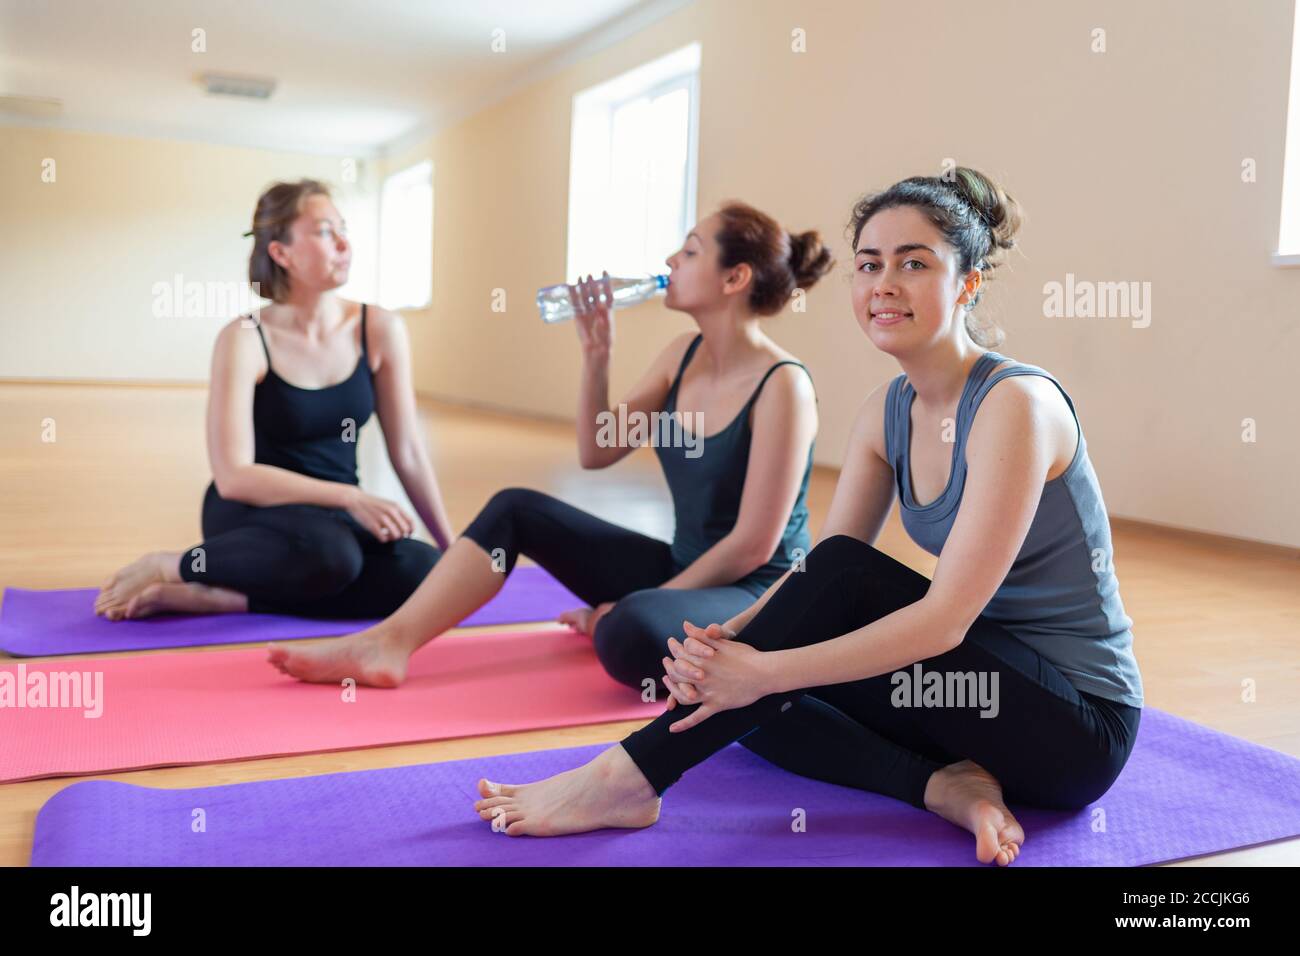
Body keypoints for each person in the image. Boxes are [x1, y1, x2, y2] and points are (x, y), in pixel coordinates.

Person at [468, 168, 1144, 868]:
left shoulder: (1016, 406)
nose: (884, 284)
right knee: (746, 698)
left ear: (967, 284)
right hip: (976, 705)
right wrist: (726, 640)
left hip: (1075, 731)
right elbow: (813, 576)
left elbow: (941, 619)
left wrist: (764, 669)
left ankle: (627, 777)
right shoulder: (887, 414)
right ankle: (941, 785)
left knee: (774, 667)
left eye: (914, 264)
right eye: (869, 265)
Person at [265, 202, 835, 694]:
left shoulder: (783, 384)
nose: (669, 263)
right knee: (516, 508)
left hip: (755, 592)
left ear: (734, 278)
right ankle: (388, 642)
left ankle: (623, 618)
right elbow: (596, 451)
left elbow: (753, 546)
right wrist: (596, 355)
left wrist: (643, 600)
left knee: (630, 630)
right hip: (685, 568)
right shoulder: (680, 356)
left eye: (688, 252)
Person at [95, 179, 456, 621]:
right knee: (334, 558)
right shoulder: (245, 339)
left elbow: (408, 453)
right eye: (325, 232)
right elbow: (233, 476)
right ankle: (171, 566)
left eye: (343, 228)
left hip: (334, 517)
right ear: (281, 253)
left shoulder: (379, 329)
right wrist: (348, 496)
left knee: (423, 572)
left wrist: (452, 547)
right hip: (253, 516)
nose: (345, 243)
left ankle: (226, 600)